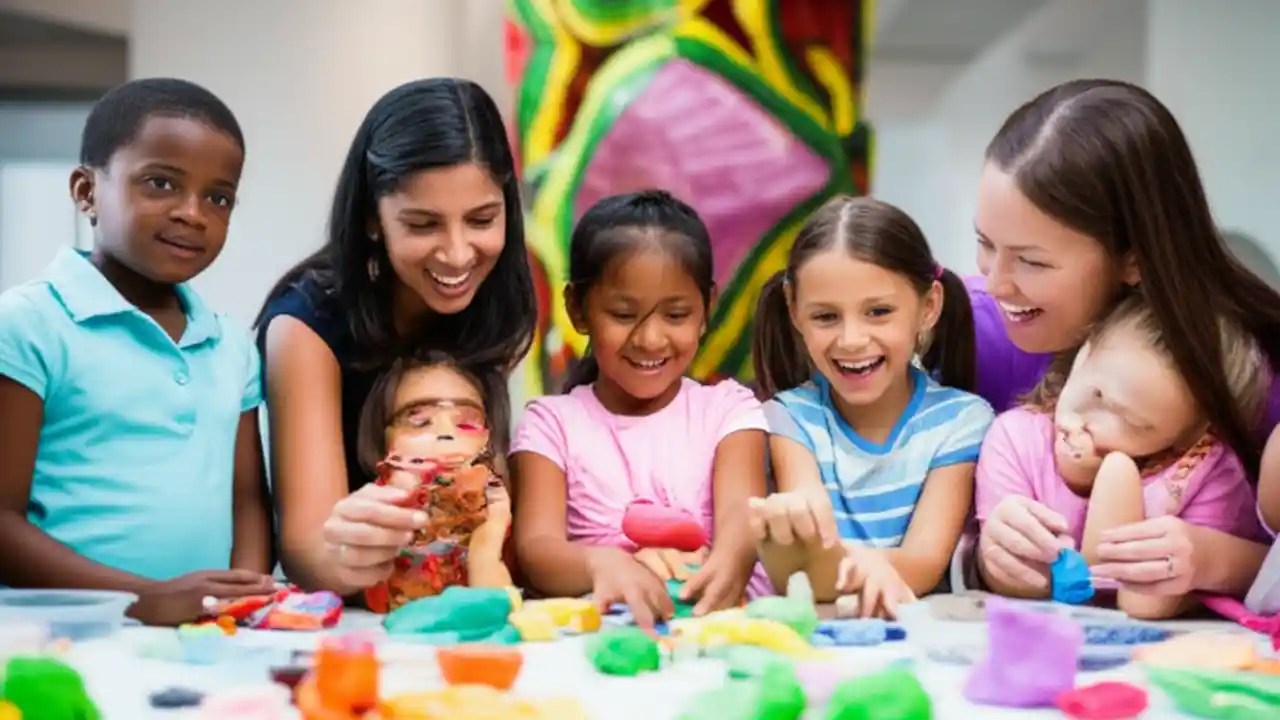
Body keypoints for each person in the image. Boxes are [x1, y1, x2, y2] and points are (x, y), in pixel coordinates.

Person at [968, 78, 1280, 599]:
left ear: (1133, 258)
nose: (996, 282)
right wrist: (985, 551)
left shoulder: (1251, 373)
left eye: (1031, 260)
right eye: (984, 243)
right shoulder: (972, 327)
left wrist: (1220, 560)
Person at [0, 78, 275, 625]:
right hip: (57, 638)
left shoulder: (231, 346)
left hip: (203, 635)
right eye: (161, 184)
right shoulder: (27, 324)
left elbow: (247, 501)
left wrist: (242, 600)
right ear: (86, 193)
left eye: (218, 197)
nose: (193, 213)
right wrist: (142, 600)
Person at [256, 78, 535, 597]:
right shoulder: (306, 324)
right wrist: (349, 550)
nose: (457, 254)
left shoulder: (493, 303)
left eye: (481, 219)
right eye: (423, 224)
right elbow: (306, 548)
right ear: (372, 219)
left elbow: (489, 489)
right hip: (357, 607)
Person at [511, 190, 769, 628]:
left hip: (720, 633)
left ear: (706, 308)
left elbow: (741, 515)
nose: (651, 339)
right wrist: (603, 565)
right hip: (603, 646)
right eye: (624, 314)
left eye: (675, 315)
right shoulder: (551, 424)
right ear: (578, 309)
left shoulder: (729, 411)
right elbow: (536, 548)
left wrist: (730, 557)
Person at [745, 196, 994, 618]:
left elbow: (922, 563)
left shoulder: (962, 421)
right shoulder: (788, 417)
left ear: (928, 307)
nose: (852, 340)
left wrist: (841, 564)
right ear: (794, 311)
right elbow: (806, 562)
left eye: (878, 312)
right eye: (826, 316)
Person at [977, 294, 1266, 618]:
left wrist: (1177, 583)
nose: (1087, 416)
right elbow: (997, 565)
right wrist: (1005, 560)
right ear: (1085, 348)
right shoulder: (1016, 437)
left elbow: (1169, 596)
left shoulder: (1208, 472)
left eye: (1132, 422)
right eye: (1096, 391)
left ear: (1190, 434)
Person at [355, 353, 512, 612]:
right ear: (382, 441)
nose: (445, 434)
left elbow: (494, 601)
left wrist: (488, 537)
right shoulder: (377, 503)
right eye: (419, 421)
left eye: (467, 424)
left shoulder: (491, 504)